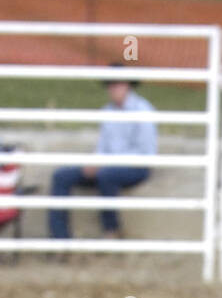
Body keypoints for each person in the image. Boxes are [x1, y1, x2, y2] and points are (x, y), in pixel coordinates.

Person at [48, 66, 157, 241]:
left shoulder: (143, 110)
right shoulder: (107, 112)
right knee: (61, 176)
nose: (113, 89)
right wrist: (95, 161)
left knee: (107, 175)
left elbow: (146, 153)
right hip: (108, 165)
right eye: (110, 85)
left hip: (135, 167)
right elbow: (103, 147)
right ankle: (60, 239)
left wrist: (106, 162)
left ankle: (112, 230)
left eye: (117, 84)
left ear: (128, 85)